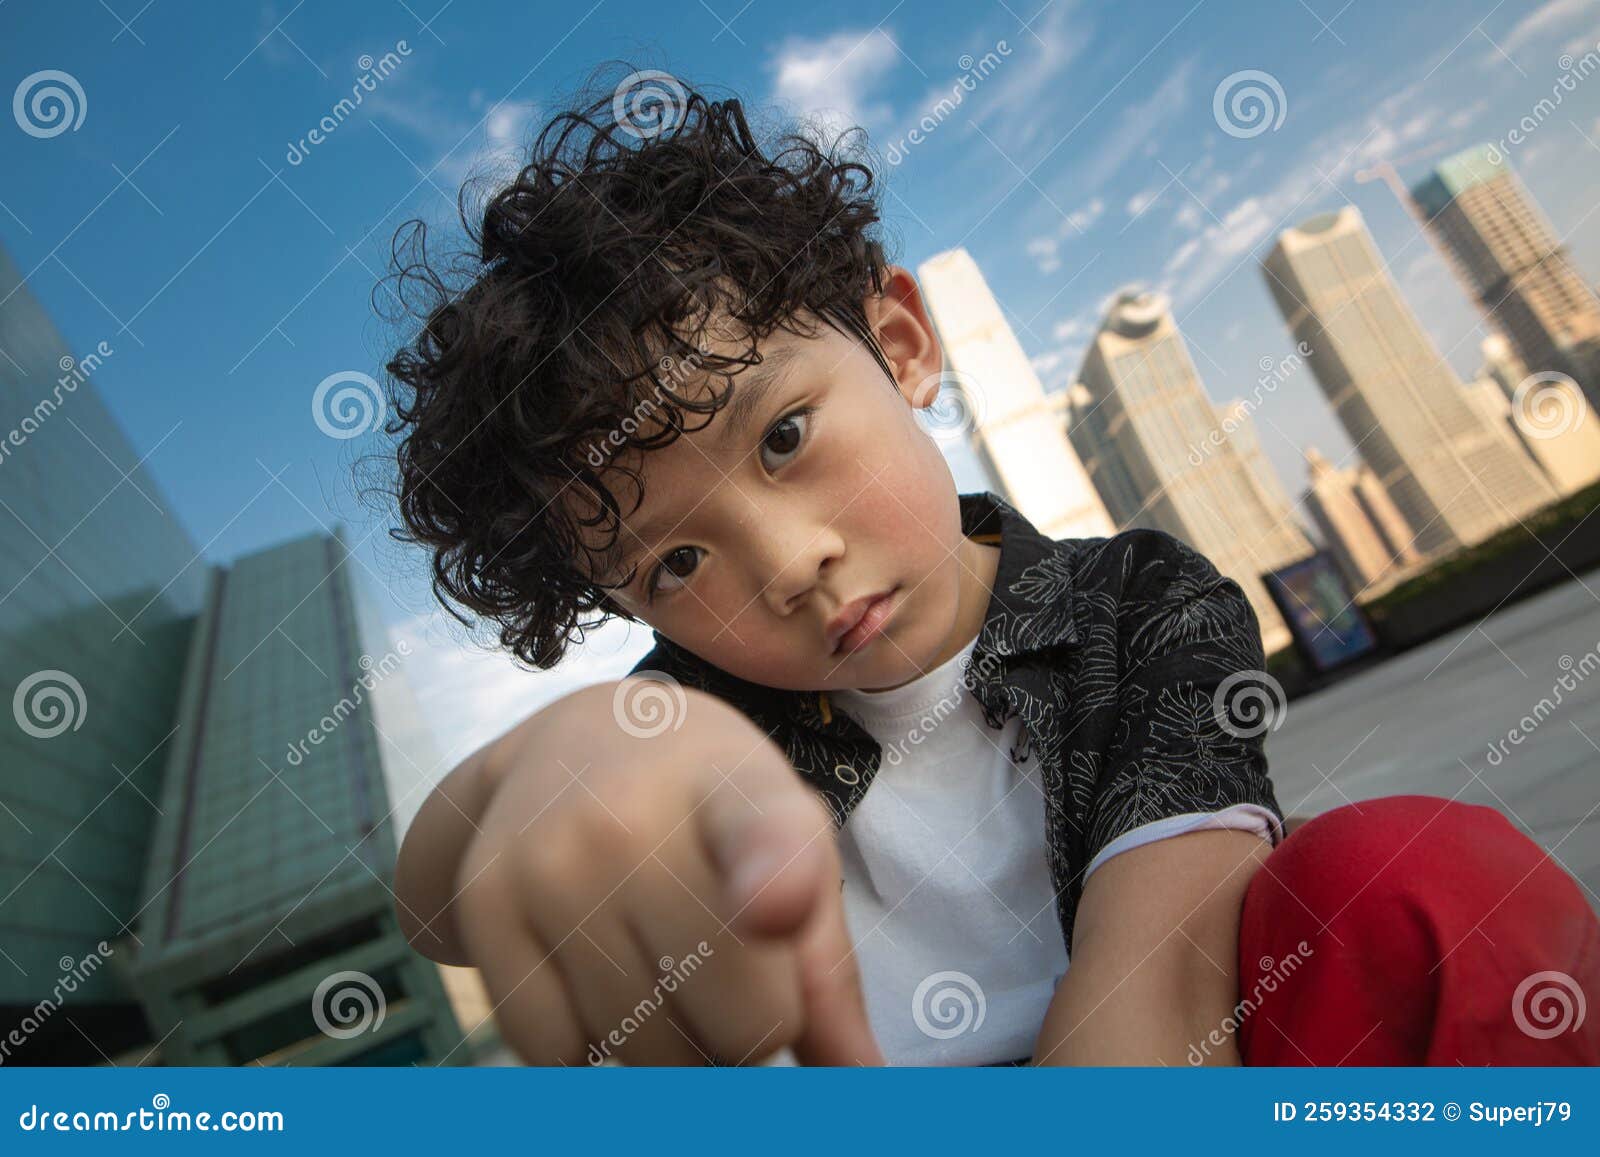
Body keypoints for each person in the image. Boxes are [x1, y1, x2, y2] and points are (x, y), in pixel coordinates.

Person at [380, 67, 1600, 1066]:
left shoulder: (1139, 605)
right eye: (675, 561)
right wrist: (571, 755)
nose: (790, 562)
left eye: (785, 437)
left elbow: (1161, 995)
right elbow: (433, 904)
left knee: (1413, 883)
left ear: (902, 344)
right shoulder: (693, 718)